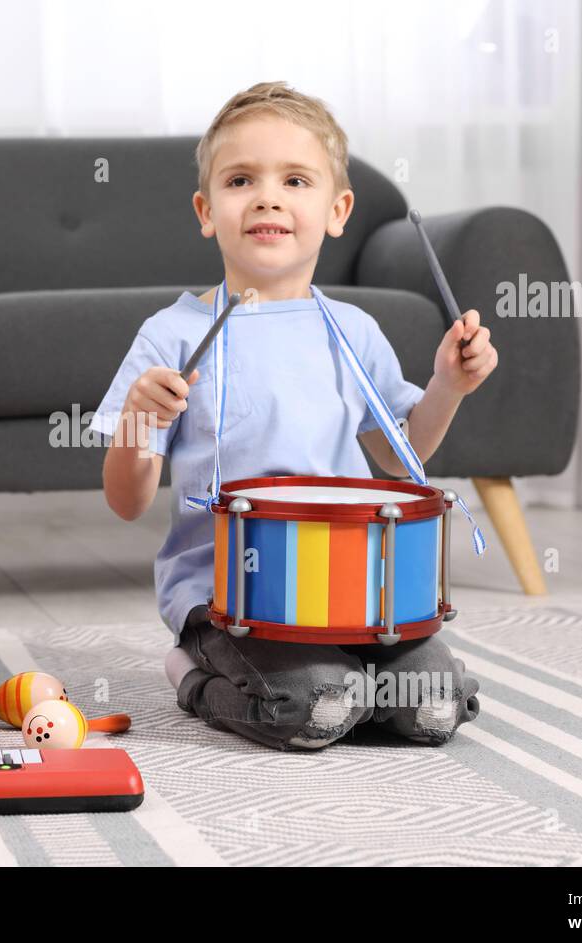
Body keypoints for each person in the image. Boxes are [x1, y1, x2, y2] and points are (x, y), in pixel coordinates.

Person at [91, 82, 496, 751]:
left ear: (337, 210)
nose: (268, 197)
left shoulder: (354, 329)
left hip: (352, 593)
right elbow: (126, 501)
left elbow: (401, 454)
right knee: (316, 707)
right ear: (206, 210)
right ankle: (193, 672)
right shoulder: (172, 334)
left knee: (434, 707)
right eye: (242, 179)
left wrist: (447, 386)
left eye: (296, 180)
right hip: (231, 602)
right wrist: (137, 418)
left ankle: (349, 676)